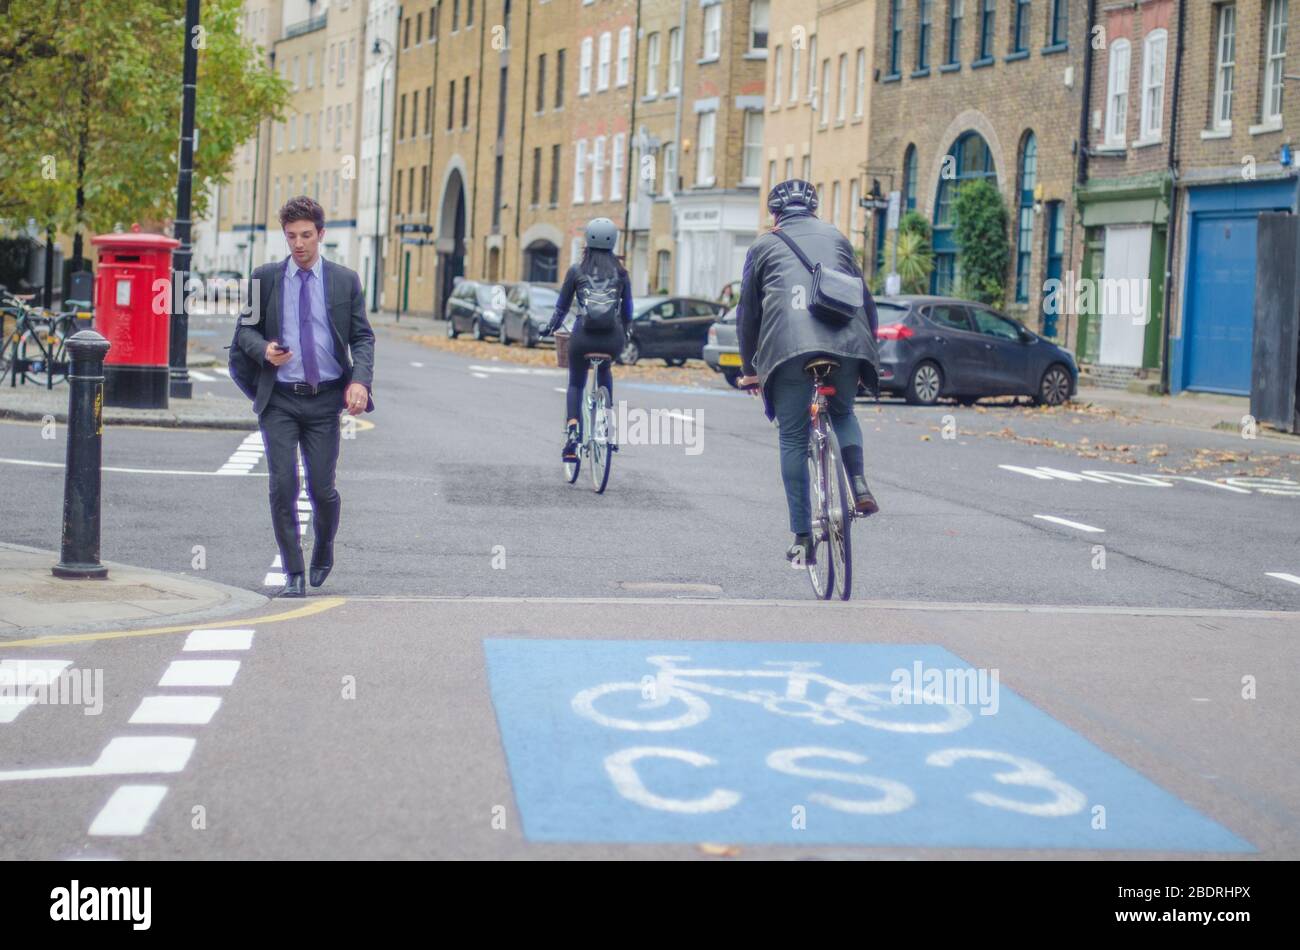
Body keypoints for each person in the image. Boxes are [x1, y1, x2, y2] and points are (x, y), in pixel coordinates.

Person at [234, 196, 376, 597]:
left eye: (306, 235)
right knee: (283, 484)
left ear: (321, 235)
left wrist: (359, 381)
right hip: (279, 398)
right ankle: (293, 572)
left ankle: (324, 544)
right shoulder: (265, 278)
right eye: (292, 236)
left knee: (321, 488)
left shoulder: (344, 281)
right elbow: (243, 332)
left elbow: (362, 336)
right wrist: (264, 350)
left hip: (324, 400)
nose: (299, 244)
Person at [735, 179, 881, 566]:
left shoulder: (764, 246)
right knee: (845, 413)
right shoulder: (837, 238)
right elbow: (866, 302)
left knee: (794, 438)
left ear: (774, 214)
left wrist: (750, 369)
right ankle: (860, 484)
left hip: (789, 350)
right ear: (814, 209)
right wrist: (870, 352)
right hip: (847, 344)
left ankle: (802, 536)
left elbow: (748, 315)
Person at [543, 218, 633, 462]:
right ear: (613, 242)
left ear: (587, 241)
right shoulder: (622, 273)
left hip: (583, 337)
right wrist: (626, 333)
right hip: (611, 339)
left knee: (576, 384)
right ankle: (605, 420)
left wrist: (549, 328)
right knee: (605, 370)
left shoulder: (576, 271)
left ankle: (573, 433)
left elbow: (561, 308)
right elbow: (627, 312)